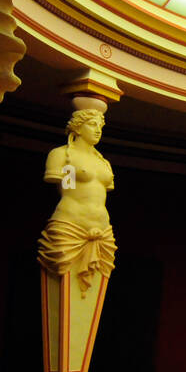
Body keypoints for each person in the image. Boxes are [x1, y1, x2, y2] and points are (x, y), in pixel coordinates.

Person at [37, 109, 116, 297]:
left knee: (92, 291)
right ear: (78, 128)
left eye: (100, 126)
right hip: (70, 224)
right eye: (92, 124)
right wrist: (72, 169)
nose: (98, 130)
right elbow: (68, 188)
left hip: (102, 230)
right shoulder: (62, 155)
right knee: (65, 285)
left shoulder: (104, 163)